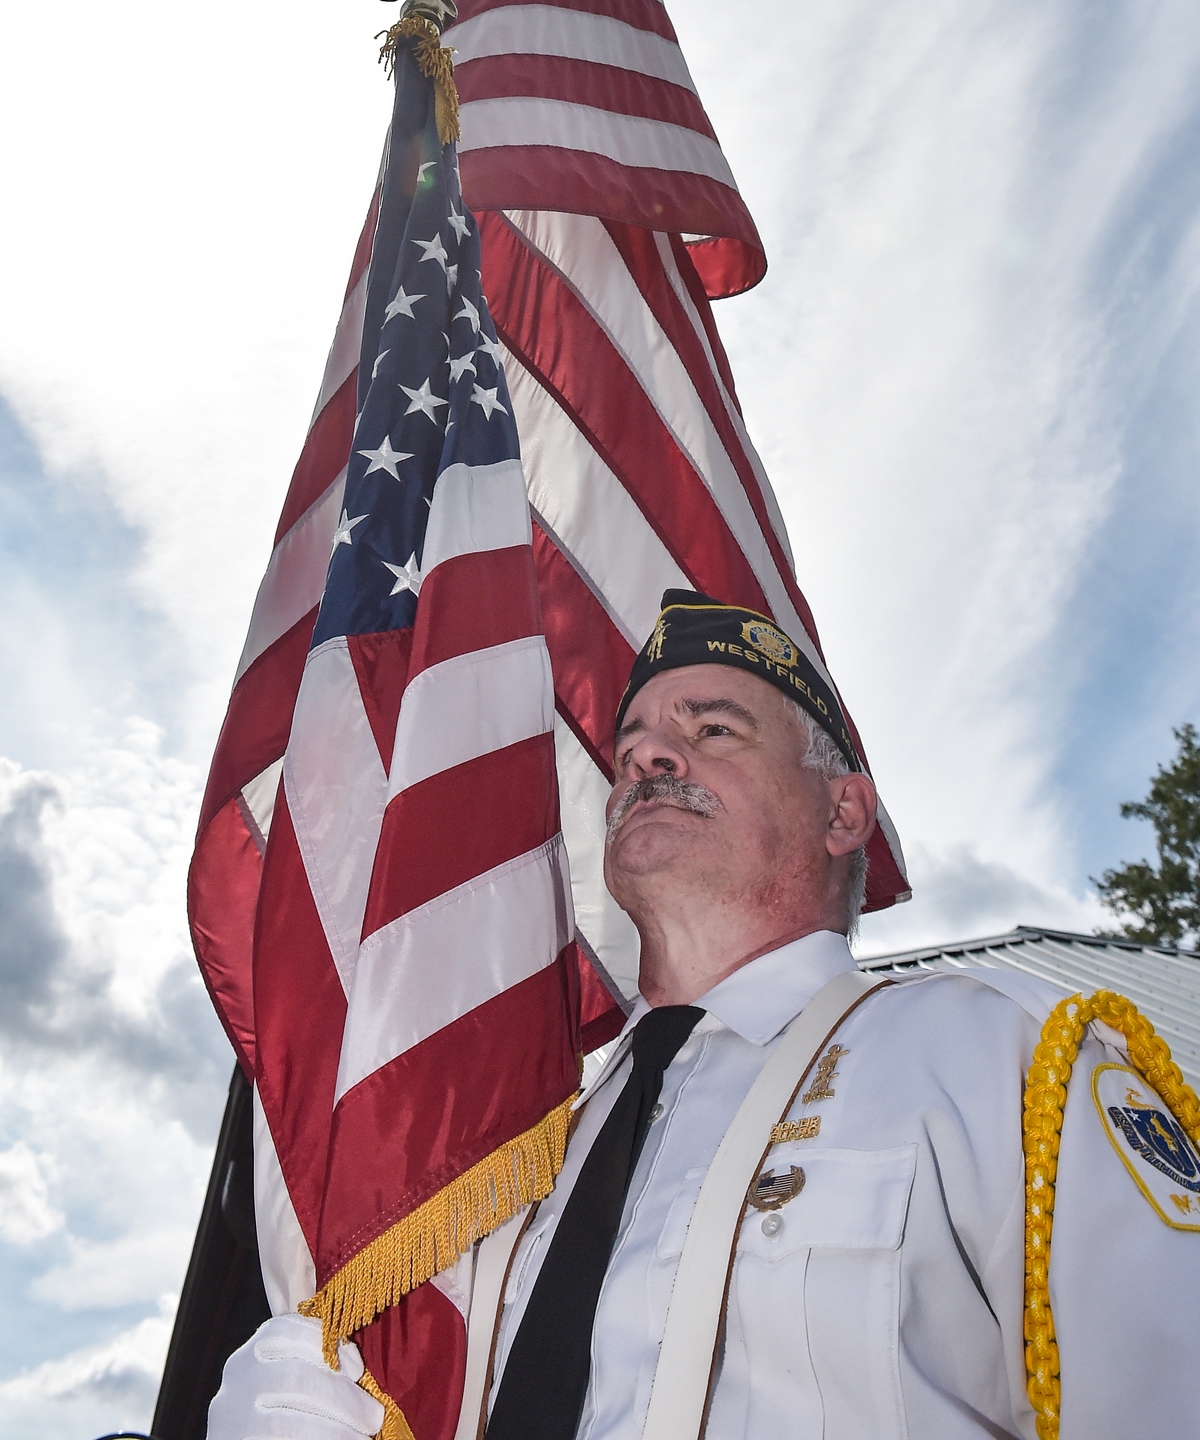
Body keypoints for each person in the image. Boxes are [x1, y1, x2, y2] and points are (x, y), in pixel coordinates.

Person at [209, 592, 1200, 1440]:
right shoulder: (503, 1172)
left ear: (844, 813)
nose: (647, 762)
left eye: (712, 729)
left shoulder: (994, 1054)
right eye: (632, 748)